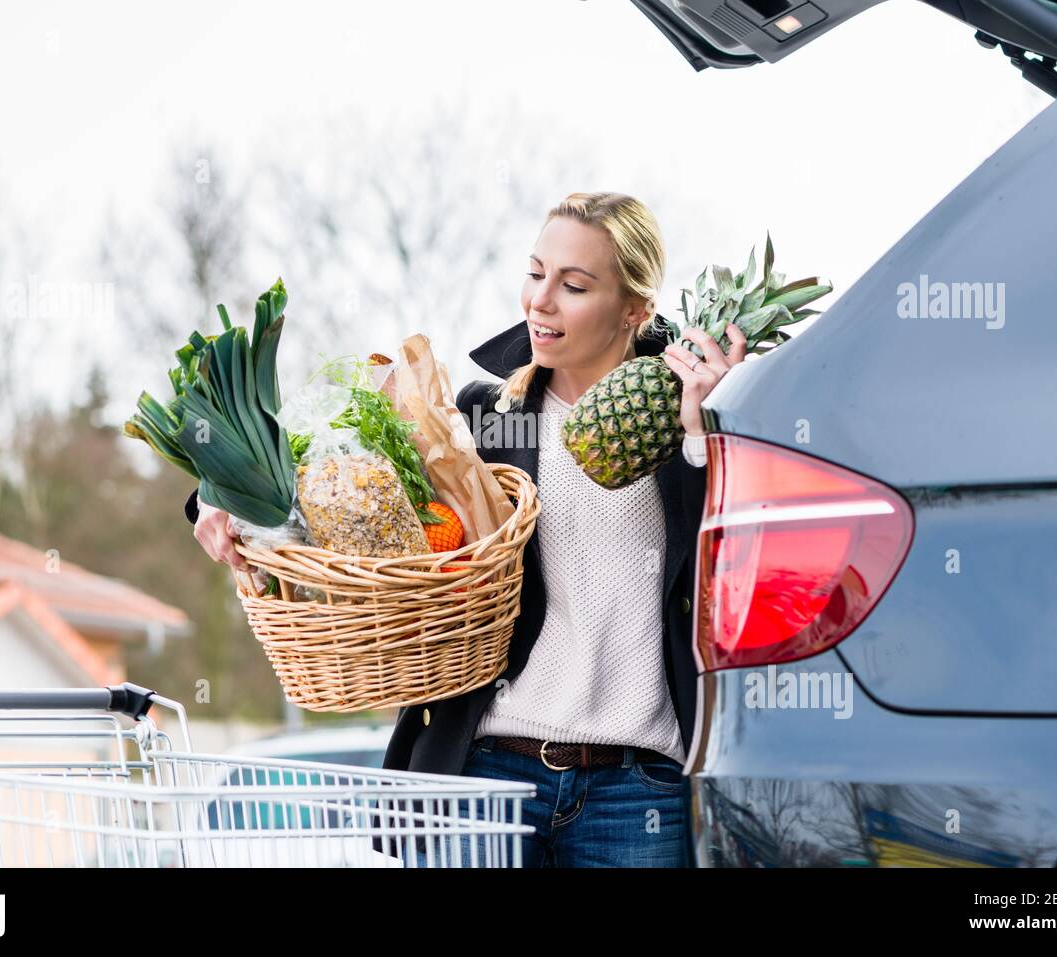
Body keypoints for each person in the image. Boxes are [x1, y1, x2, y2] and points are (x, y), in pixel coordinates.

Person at [186, 191, 746, 867]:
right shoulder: (480, 422)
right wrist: (222, 500)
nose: (540, 300)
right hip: (486, 776)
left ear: (636, 309)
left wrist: (699, 431)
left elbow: (732, 564)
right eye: (535, 273)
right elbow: (340, 485)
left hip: (639, 789)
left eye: (573, 285)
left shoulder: (690, 430)